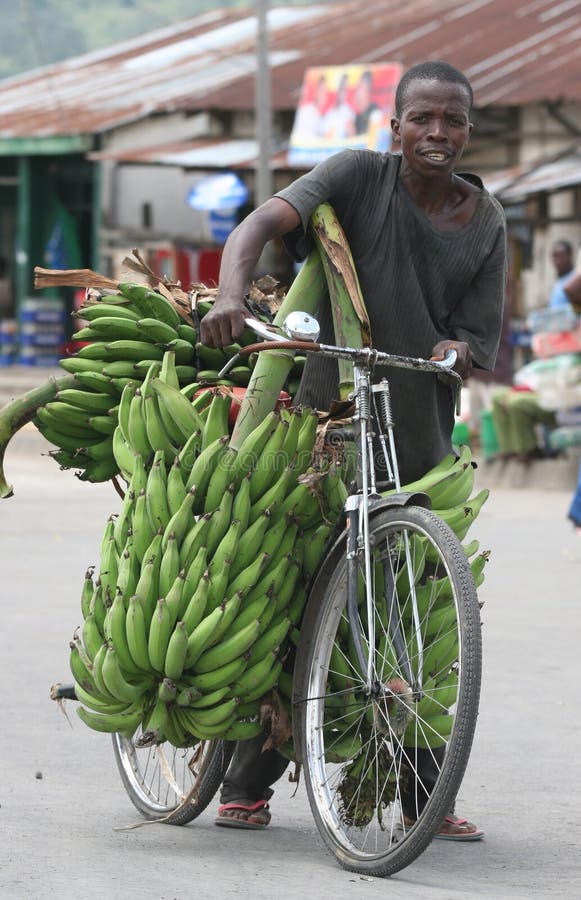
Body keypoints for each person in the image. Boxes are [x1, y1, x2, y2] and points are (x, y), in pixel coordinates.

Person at [200, 60, 507, 839]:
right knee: (298, 597)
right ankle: (248, 774)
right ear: (395, 127)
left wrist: (456, 351)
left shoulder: (486, 220)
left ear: (469, 131)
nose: (437, 133)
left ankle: (422, 795)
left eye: (453, 121)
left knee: (417, 611)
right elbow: (261, 224)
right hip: (323, 422)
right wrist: (232, 293)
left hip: (419, 437)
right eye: (422, 119)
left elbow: (477, 334)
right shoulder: (355, 177)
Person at [489, 239, 576, 462]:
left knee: (519, 401)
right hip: (556, 354)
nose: (557, 261)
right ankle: (516, 450)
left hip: (565, 358)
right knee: (503, 398)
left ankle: (531, 448)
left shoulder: (571, 284)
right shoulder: (559, 287)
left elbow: (567, 319)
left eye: (561, 256)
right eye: (553, 257)